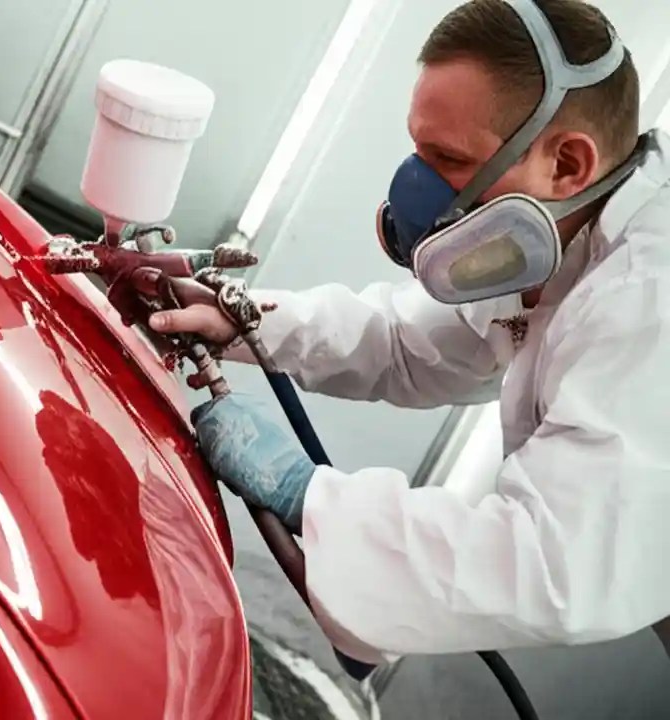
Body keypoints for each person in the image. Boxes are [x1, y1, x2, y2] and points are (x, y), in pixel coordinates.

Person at [147, 0, 670, 664]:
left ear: (567, 165)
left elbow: (552, 560)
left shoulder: (650, 297)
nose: (416, 193)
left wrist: (309, 497)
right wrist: (243, 320)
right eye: (418, 152)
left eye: (447, 159)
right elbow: (409, 342)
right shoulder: (563, 235)